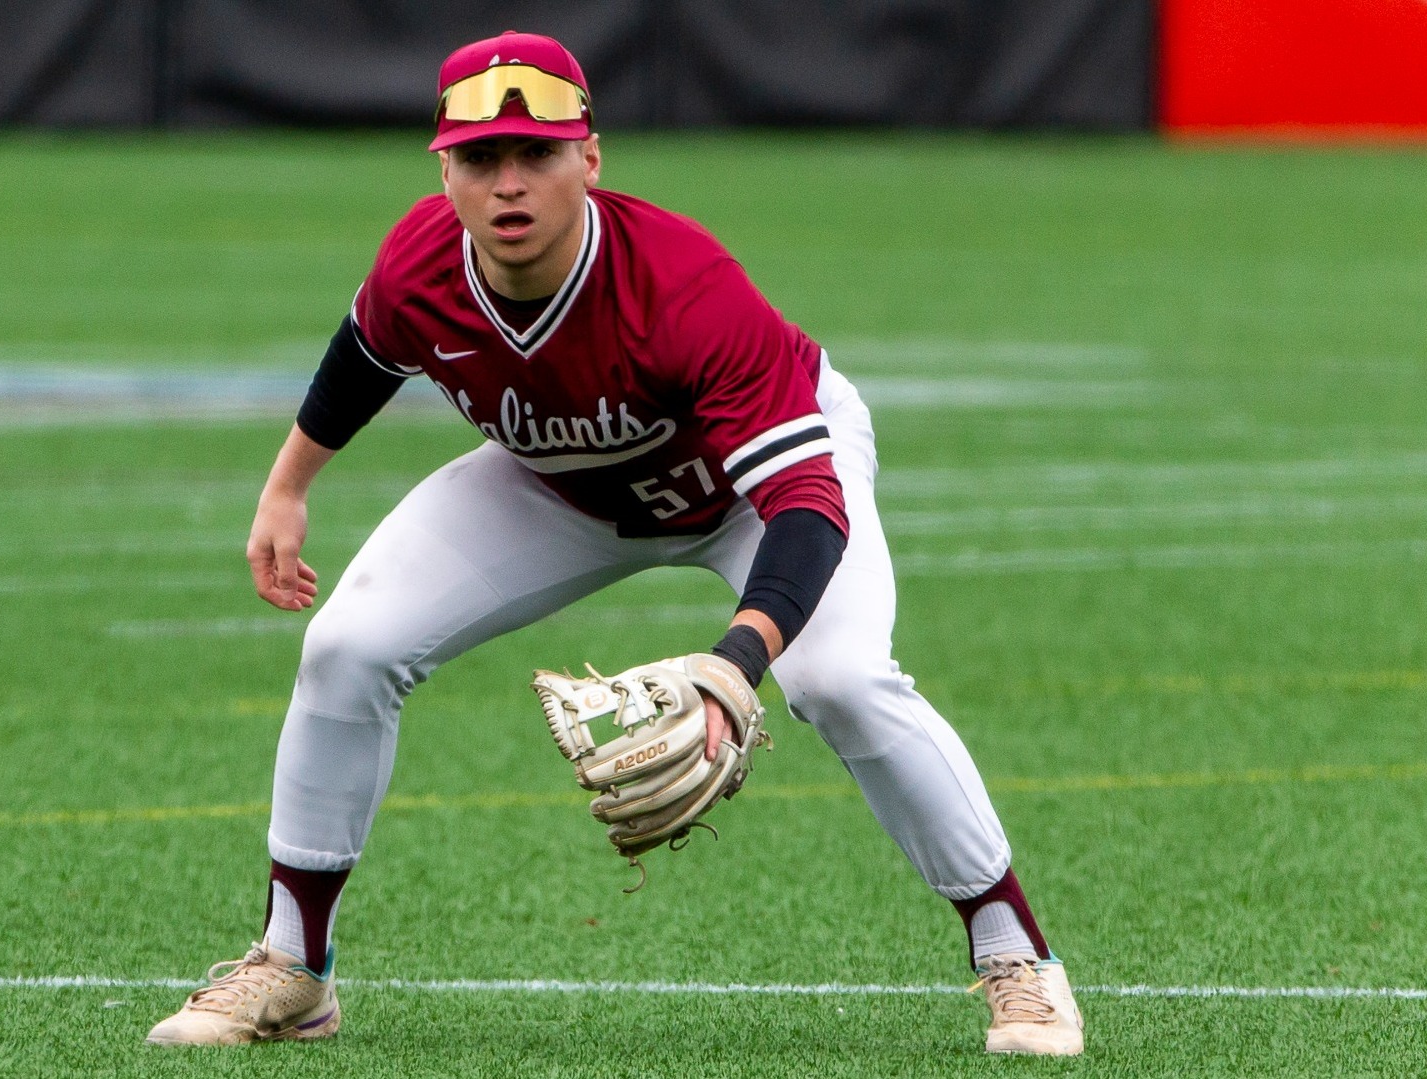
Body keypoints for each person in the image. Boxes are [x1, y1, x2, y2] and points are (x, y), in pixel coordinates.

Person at [146, 30, 1084, 1057]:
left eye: (536, 154)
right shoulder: (422, 259)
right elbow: (366, 352)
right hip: (562, 489)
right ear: (442, 167)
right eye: (480, 157)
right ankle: (292, 966)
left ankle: (1016, 959)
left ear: (588, 159)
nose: (509, 183)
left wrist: (736, 665)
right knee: (346, 646)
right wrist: (287, 487)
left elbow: (807, 504)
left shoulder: (679, 285)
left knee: (844, 681)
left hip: (745, 491)